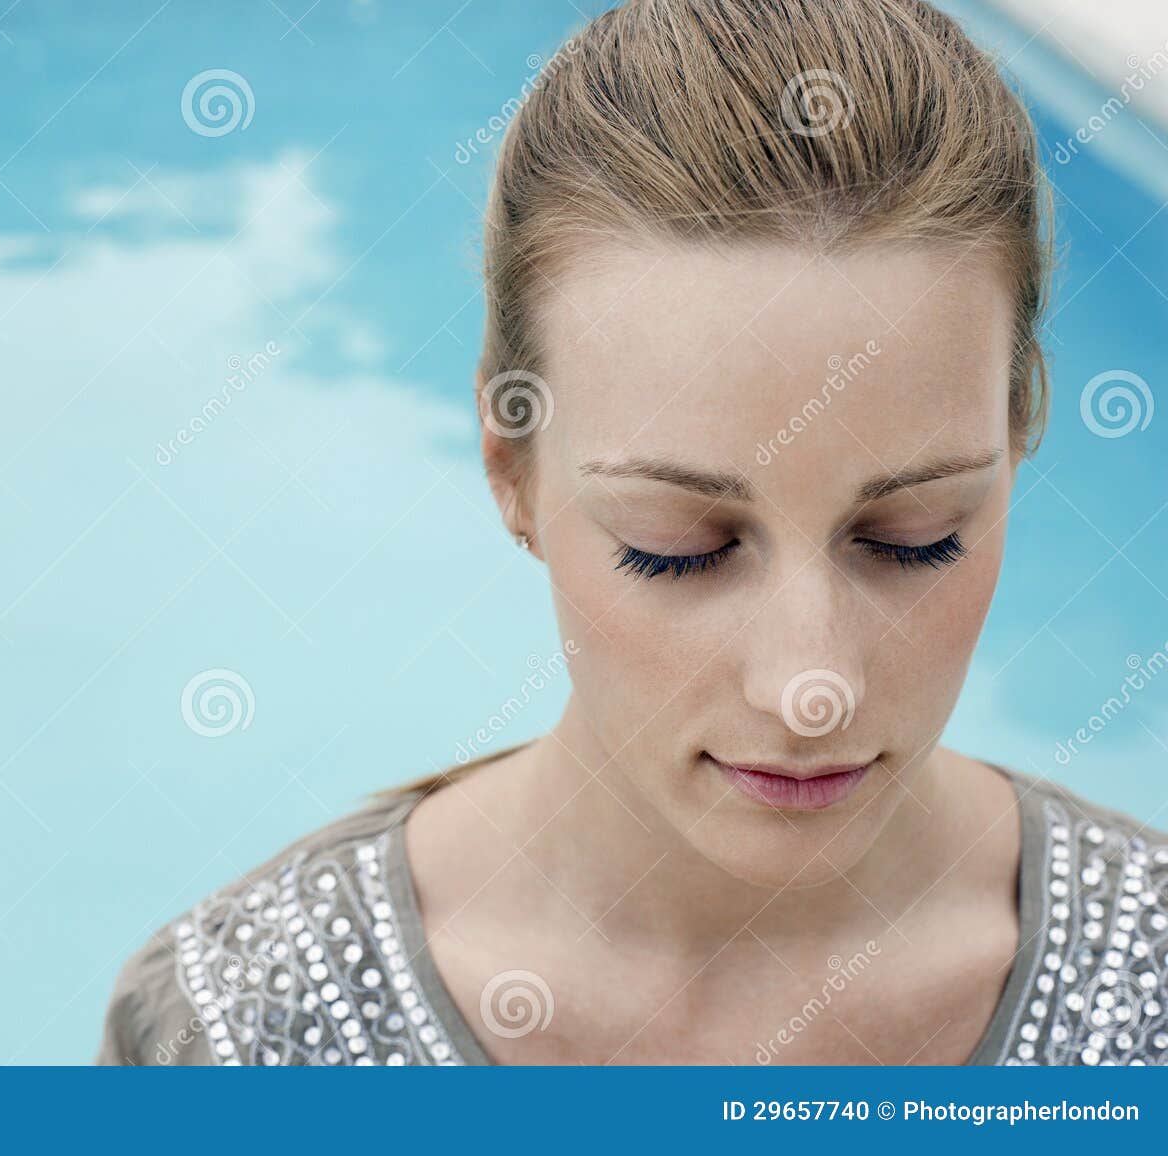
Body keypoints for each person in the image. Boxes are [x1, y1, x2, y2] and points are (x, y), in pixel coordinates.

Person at [99, 0, 1168, 1066]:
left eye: (913, 534)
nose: (809, 685)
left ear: (1019, 430)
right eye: (677, 547)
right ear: (509, 466)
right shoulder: (241, 1037)